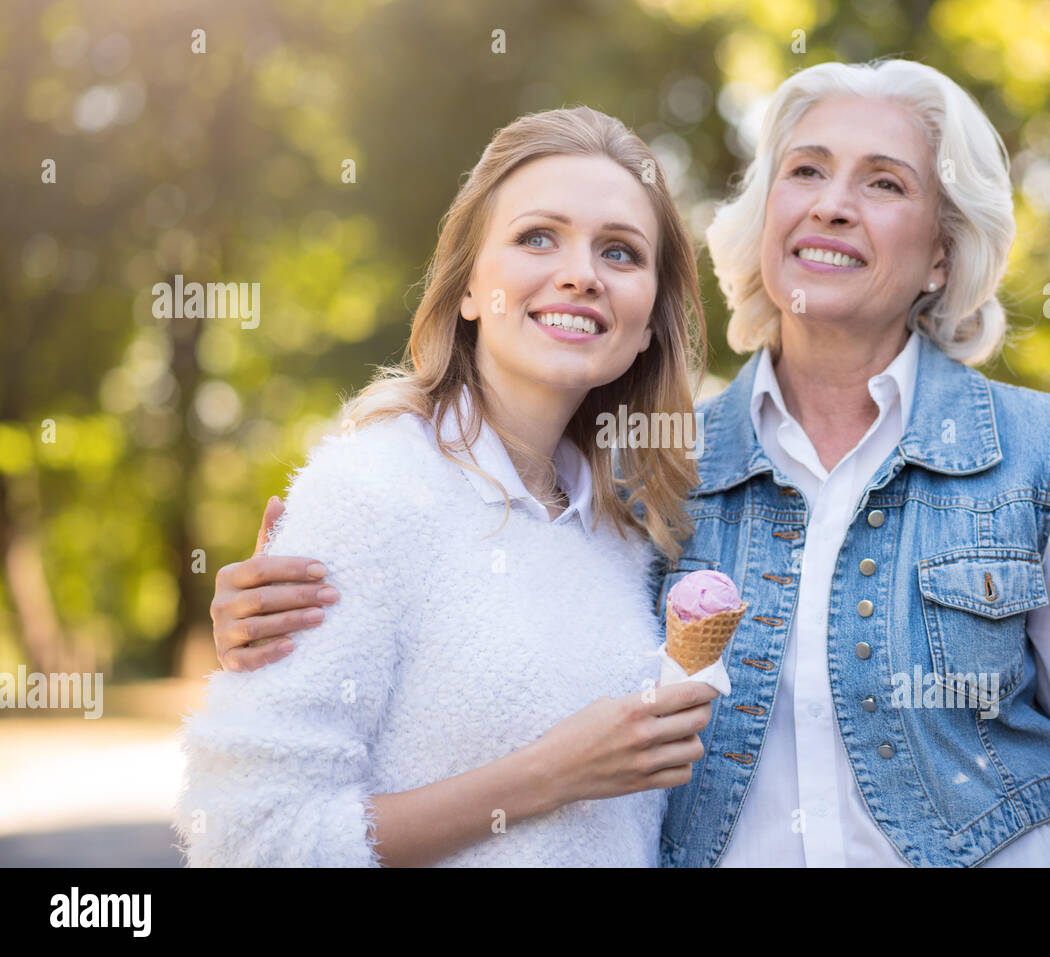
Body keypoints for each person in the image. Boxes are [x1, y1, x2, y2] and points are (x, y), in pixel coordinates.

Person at [210, 58, 1050, 868]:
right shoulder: (656, 477)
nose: (833, 206)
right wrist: (284, 611)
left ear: (942, 255)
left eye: (885, 183)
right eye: (804, 172)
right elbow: (468, 595)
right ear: (766, 216)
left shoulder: (1034, 460)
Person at [175, 106, 719, 867]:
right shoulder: (369, 490)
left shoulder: (627, 531)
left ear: (648, 324)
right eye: (538, 236)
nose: (580, 273)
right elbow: (250, 837)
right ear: (468, 286)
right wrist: (546, 775)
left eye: (620, 252)